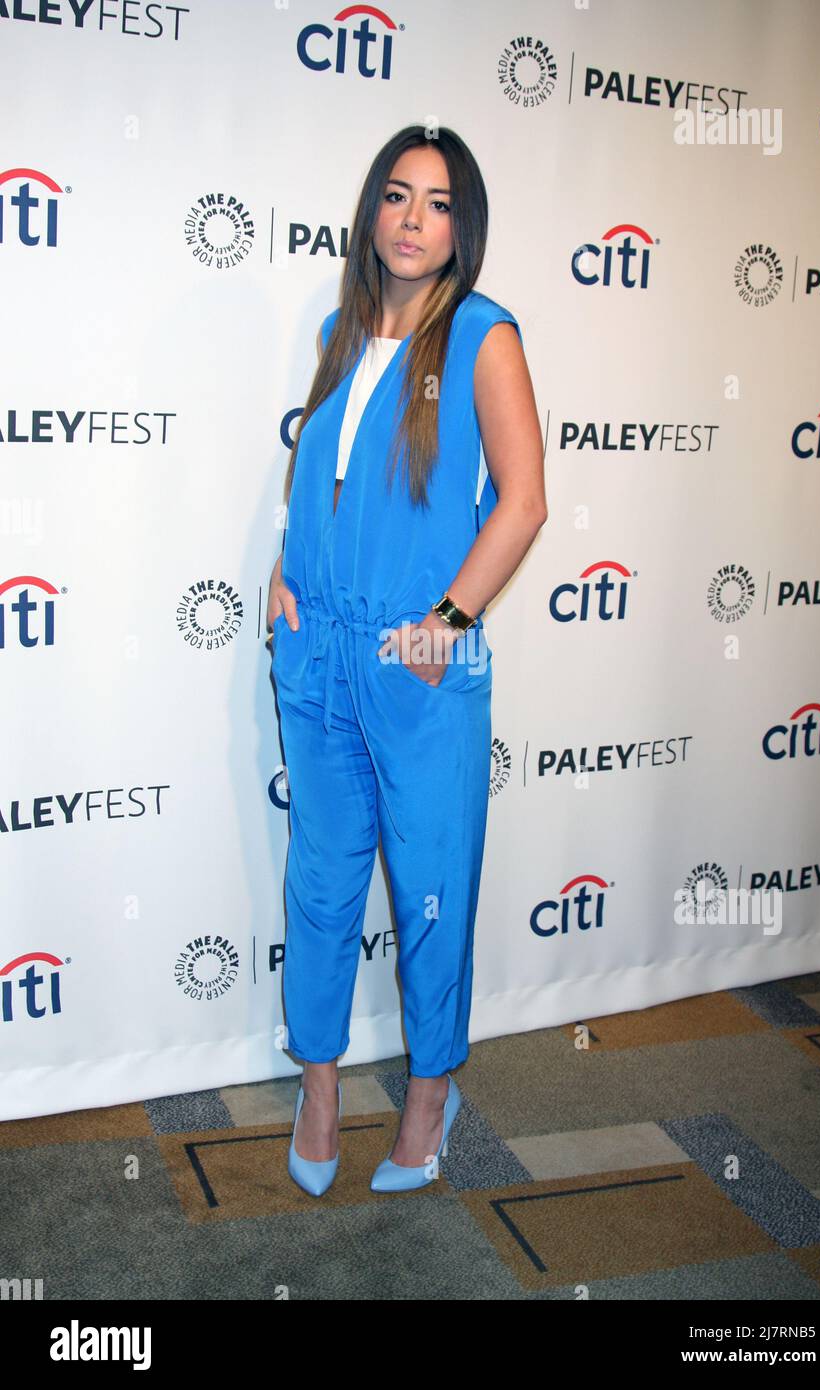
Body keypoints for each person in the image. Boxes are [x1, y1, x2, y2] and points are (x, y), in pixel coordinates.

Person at [266, 125, 545, 1196]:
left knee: (428, 888)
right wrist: (285, 574)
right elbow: (321, 472)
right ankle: (322, 1082)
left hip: (415, 662)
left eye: (435, 201)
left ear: (459, 225)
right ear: (371, 213)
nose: (412, 218)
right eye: (395, 195)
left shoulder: (483, 336)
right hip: (318, 652)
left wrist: (444, 620)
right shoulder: (341, 330)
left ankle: (429, 1093)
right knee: (323, 879)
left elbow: (520, 503)